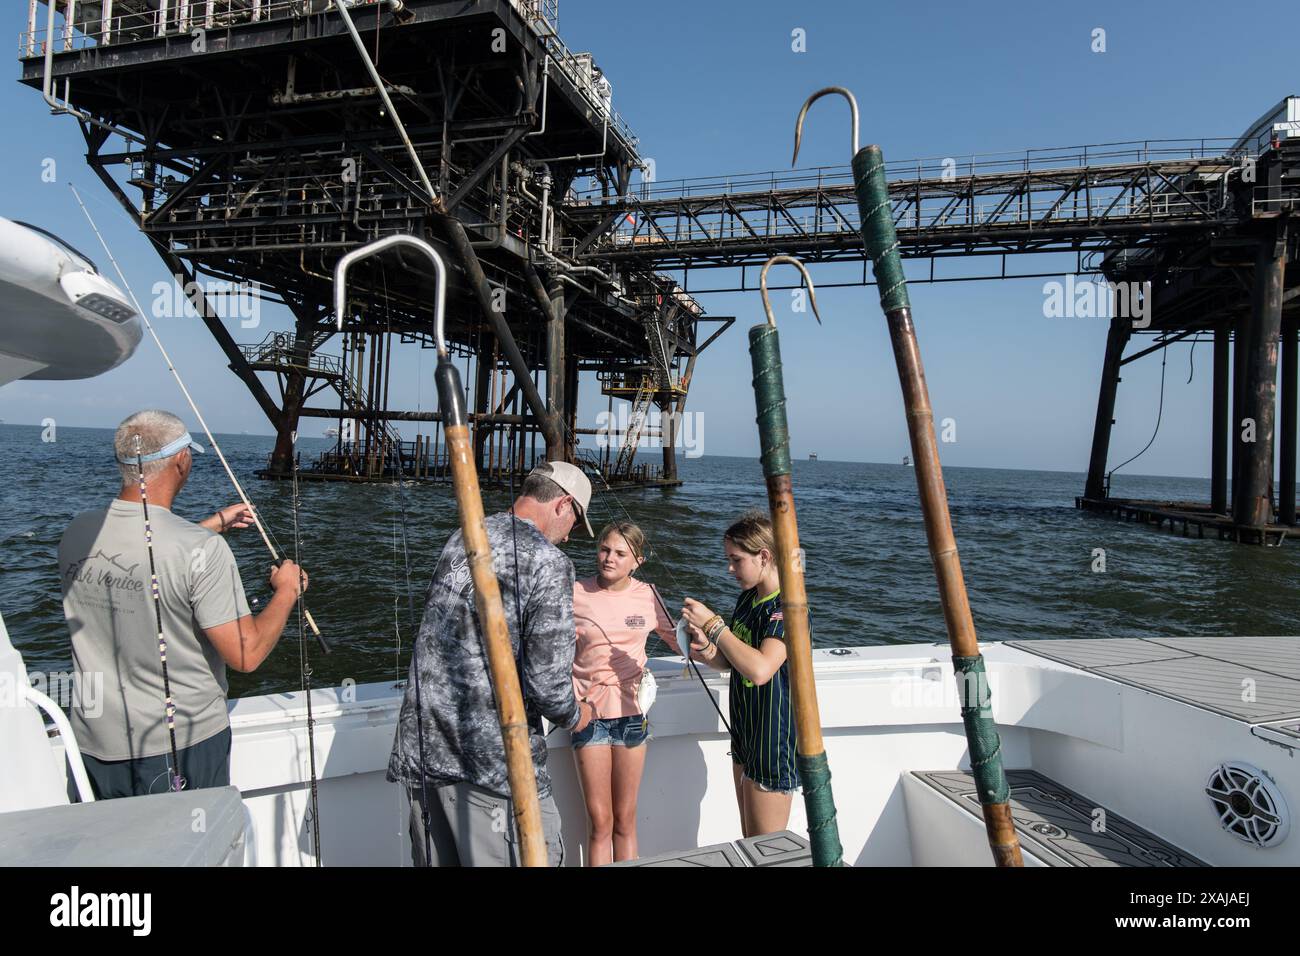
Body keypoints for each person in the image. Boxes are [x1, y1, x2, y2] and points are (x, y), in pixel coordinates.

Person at [57, 409, 307, 799]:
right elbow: (246, 654)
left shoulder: (78, 532)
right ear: (181, 460)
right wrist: (286, 591)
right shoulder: (202, 550)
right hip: (178, 748)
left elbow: (143, 558)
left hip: (90, 745)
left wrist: (210, 525)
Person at [387, 460, 598, 867]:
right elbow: (547, 686)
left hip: (424, 749)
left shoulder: (464, 534)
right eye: (575, 522)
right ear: (563, 504)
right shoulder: (548, 562)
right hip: (490, 767)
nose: (570, 537)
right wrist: (578, 715)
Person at [681, 510, 799, 838]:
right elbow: (734, 661)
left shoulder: (789, 607)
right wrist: (705, 648)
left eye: (736, 560)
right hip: (745, 738)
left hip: (772, 744)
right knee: (750, 841)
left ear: (764, 556)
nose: (729, 569)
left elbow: (761, 669)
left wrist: (714, 626)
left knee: (766, 850)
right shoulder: (748, 598)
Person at [571, 521, 680, 865]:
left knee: (626, 820)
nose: (609, 558)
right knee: (600, 823)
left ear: (637, 560)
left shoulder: (648, 595)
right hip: (589, 717)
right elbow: (552, 650)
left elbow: (679, 640)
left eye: (620, 553)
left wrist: (713, 637)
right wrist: (571, 701)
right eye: (604, 549)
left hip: (633, 715)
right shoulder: (575, 592)